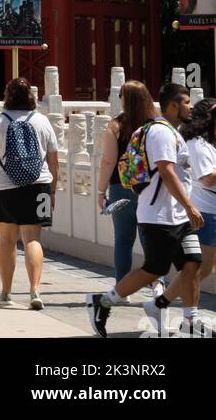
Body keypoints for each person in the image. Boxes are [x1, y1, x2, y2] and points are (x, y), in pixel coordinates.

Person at [88, 81, 204, 337]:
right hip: (158, 216)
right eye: (186, 102)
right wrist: (190, 206)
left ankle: (190, 321)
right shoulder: (161, 132)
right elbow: (166, 171)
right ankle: (103, 302)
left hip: (178, 217)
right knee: (155, 269)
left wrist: (185, 209)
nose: (190, 107)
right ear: (173, 106)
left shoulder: (173, 131)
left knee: (193, 263)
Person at [0, 77, 59, 311]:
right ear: (31, 96)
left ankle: (5, 293)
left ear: (7, 96)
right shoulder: (42, 121)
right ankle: (35, 290)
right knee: (32, 238)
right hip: (38, 184)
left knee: (7, 241)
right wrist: (52, 189)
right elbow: (53, 159)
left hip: (4, 187)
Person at [95, 80, 156, 287]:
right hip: (152, 189)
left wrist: (100, 191)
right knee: (152, 240)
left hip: (121, 187)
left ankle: (122, 288)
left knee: (123, 240)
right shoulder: (155, 124)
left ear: (125, 99)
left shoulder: (116, 125)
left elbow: (108, 160)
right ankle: (158, 285)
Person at [183, 97, 216, 306]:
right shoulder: (198, 145)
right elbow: (207, 179)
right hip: (206, 212)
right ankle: (164, 300)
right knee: (202, 268)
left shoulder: (210, 143)